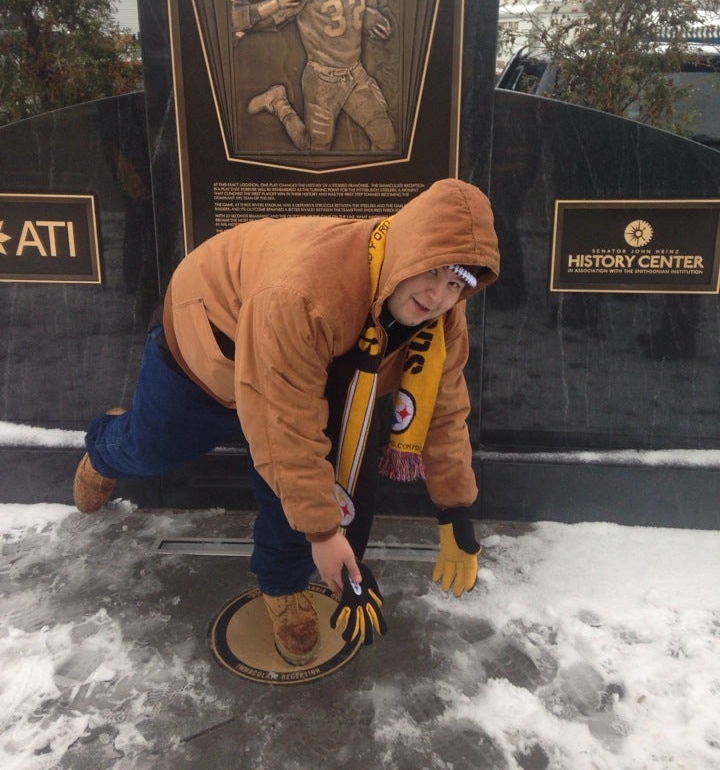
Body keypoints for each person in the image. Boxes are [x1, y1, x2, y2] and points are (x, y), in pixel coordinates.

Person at [74, 178, 500, 666]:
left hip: (308, 370)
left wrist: (456, 511)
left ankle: (282, 586)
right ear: (410, 249)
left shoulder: (442, 316)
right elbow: (285, 430)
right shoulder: (303, 290)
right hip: (213, 343)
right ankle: (106, 447)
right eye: (434, 272)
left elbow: (445, 406)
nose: (438, 296)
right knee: (151, 450)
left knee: (300, 481)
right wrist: (324, 535)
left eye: (456, 283)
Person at [235, 0, 397, 152]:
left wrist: (377, 22)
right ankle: (279, 103)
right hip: (322, 81)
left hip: (355, 74)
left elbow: (366, 13)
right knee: (315, 150)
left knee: (387, 140)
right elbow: (272, 20)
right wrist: (273, 4)